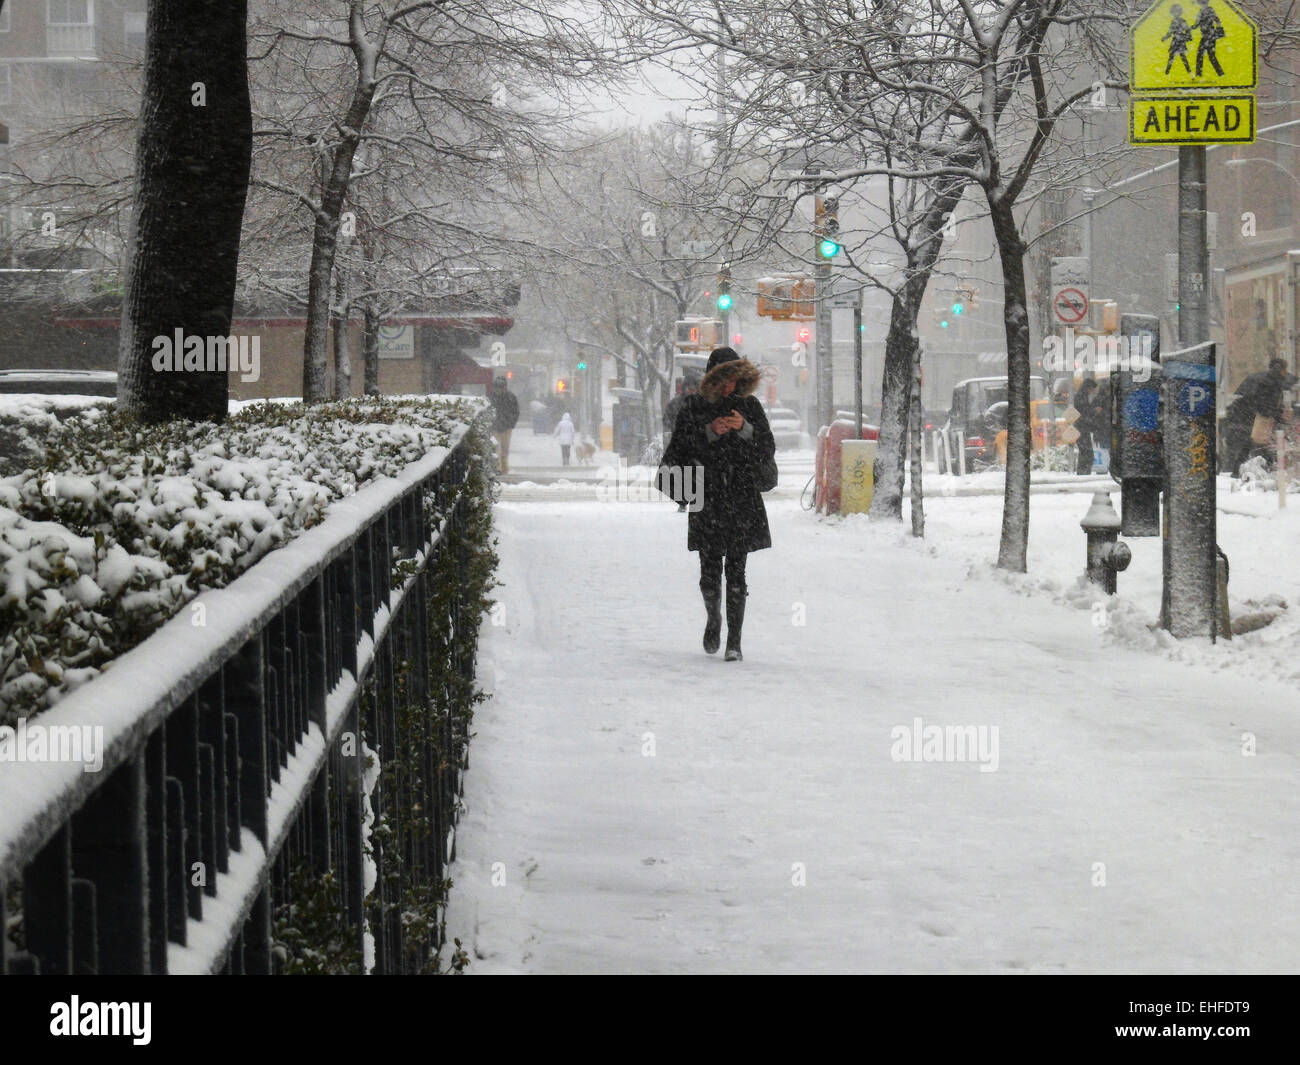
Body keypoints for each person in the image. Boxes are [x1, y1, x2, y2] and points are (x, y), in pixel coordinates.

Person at [659, 347, 776, 662]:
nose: (729, 386)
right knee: (709, 571)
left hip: (741, 499)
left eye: (734, 379)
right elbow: (680, 449)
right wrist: (710, 432)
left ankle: (734, 642)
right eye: (723, 379)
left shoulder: (749, 406)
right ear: (712, 379)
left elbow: (767, 448)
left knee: (737, 572)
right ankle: (714, 618)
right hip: (707, 498)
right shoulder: (694, 407)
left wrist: (743, 428)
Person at [1223, 358, 1296, 476]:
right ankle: (1246, 470)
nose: (1285, 372)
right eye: (1284, 369)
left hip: (1250, 417)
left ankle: (1240, 470)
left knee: (1253, 444)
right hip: (1255, 418)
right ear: (1279, 368)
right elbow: (1265, 404)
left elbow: (1269, 404)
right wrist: (1276, 415)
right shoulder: (1269, 383)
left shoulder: (1269, 381)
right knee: (1258, 443)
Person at [490, 377, 519, 474]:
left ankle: (501, 468)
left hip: (499, 426)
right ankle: (502, 468)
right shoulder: (511, 397)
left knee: (500, 449)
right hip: (504, 426)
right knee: (502, 449)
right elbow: (516, 412)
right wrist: (511, 423)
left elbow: (515, 412)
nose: (498, 390)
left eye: (500, 387)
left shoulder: (491, 397)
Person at [1072, 378, 1101, 475]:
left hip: (1081, 428)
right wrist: (1094, 411)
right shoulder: (1081, 397)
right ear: (1088, 387)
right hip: (1082, 429)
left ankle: (1083, 472)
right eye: (1092, 389)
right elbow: (1084, 412)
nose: (1093, 391)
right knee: (1086, 452)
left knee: (1085, 452)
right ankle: (1083, 473)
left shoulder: (1081, 396)